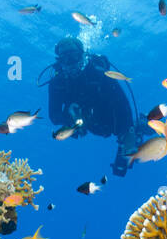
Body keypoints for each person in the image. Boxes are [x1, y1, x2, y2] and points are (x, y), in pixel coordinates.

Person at [46, 36, 149, 177]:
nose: (70, 63)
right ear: (60, 62)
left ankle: (142, 125)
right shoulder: (57, 84)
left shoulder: (100, 74)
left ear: (82, 55)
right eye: (65, 59)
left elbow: (122, 105)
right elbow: (54, 116)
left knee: (132, 147)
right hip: (87, 124)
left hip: (110, 118)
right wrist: (69, 116)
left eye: (74, 57)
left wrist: (128, 133)